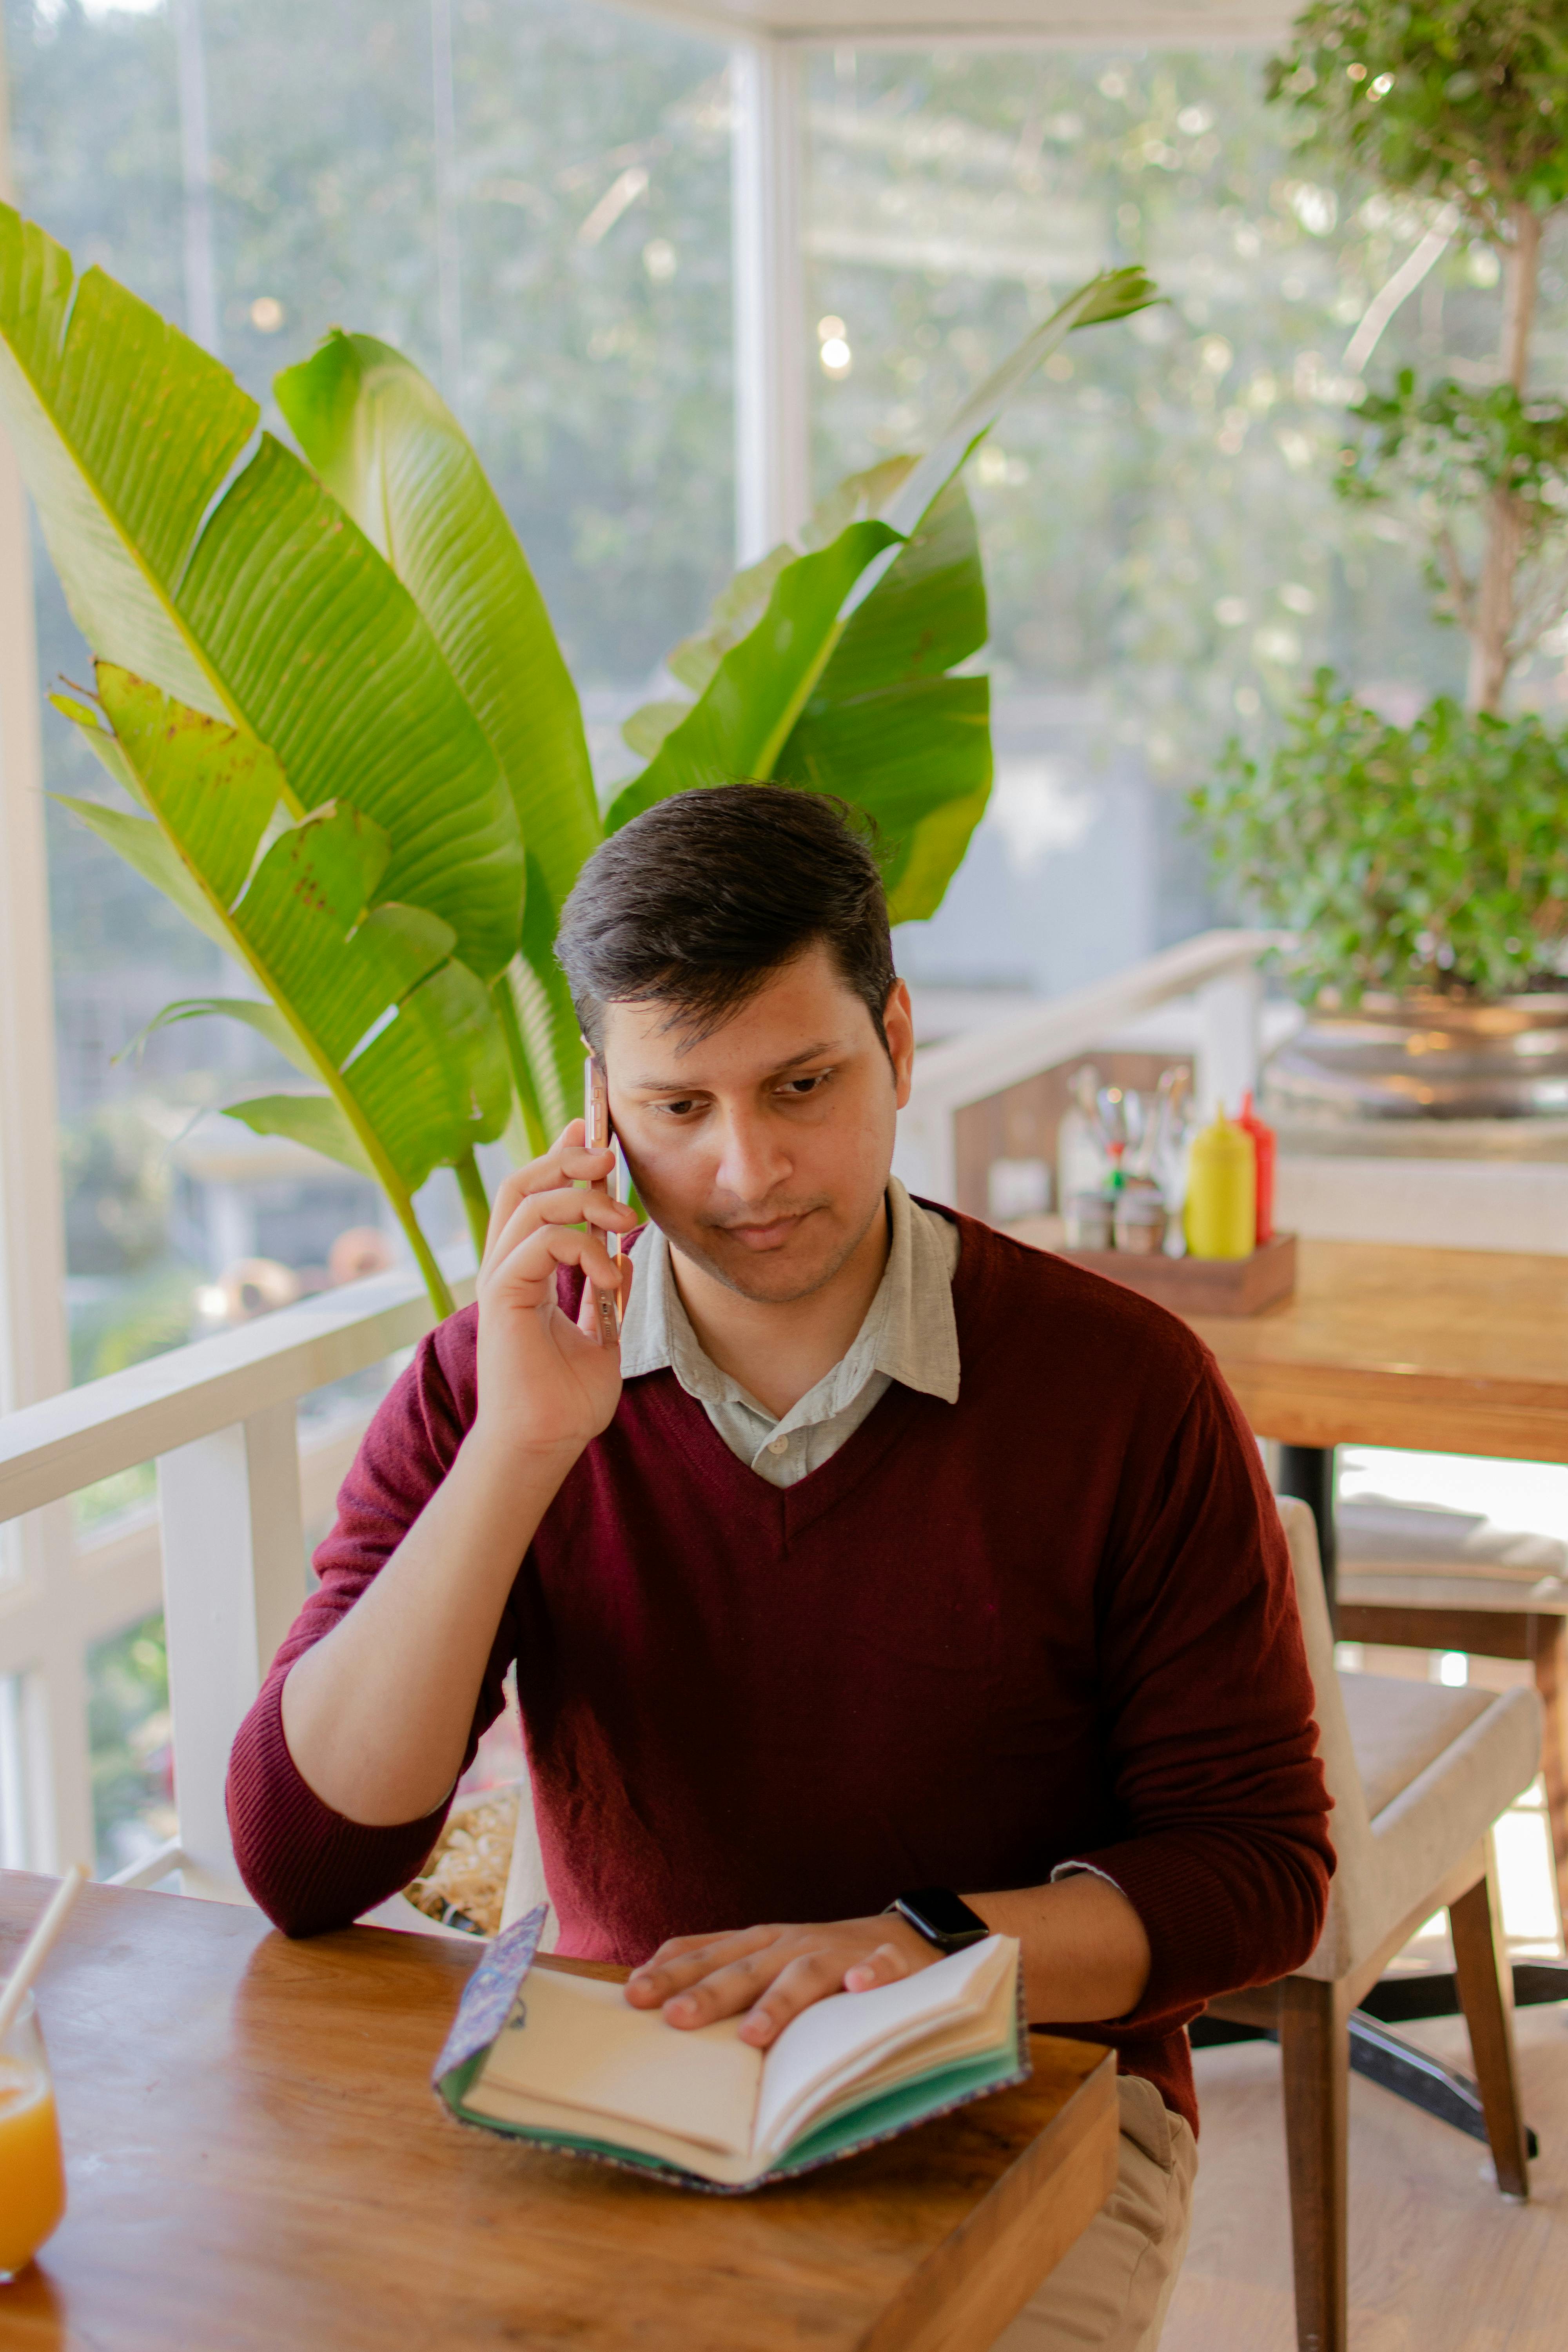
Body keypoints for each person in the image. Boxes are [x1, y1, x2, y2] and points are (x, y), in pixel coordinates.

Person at [229, 783, 1333, 2350]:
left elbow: (1254, 1874)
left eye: (800, 1083)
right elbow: (300, 1857)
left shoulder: (1125, 1392)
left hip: (1019, 2115)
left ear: (894, 1039)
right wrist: (522, 1448)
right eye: (679, 1110)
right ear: (601, 1115)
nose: (748, 1172)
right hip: (623, 2105)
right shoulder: (495, 1393)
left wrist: (918, 1949)